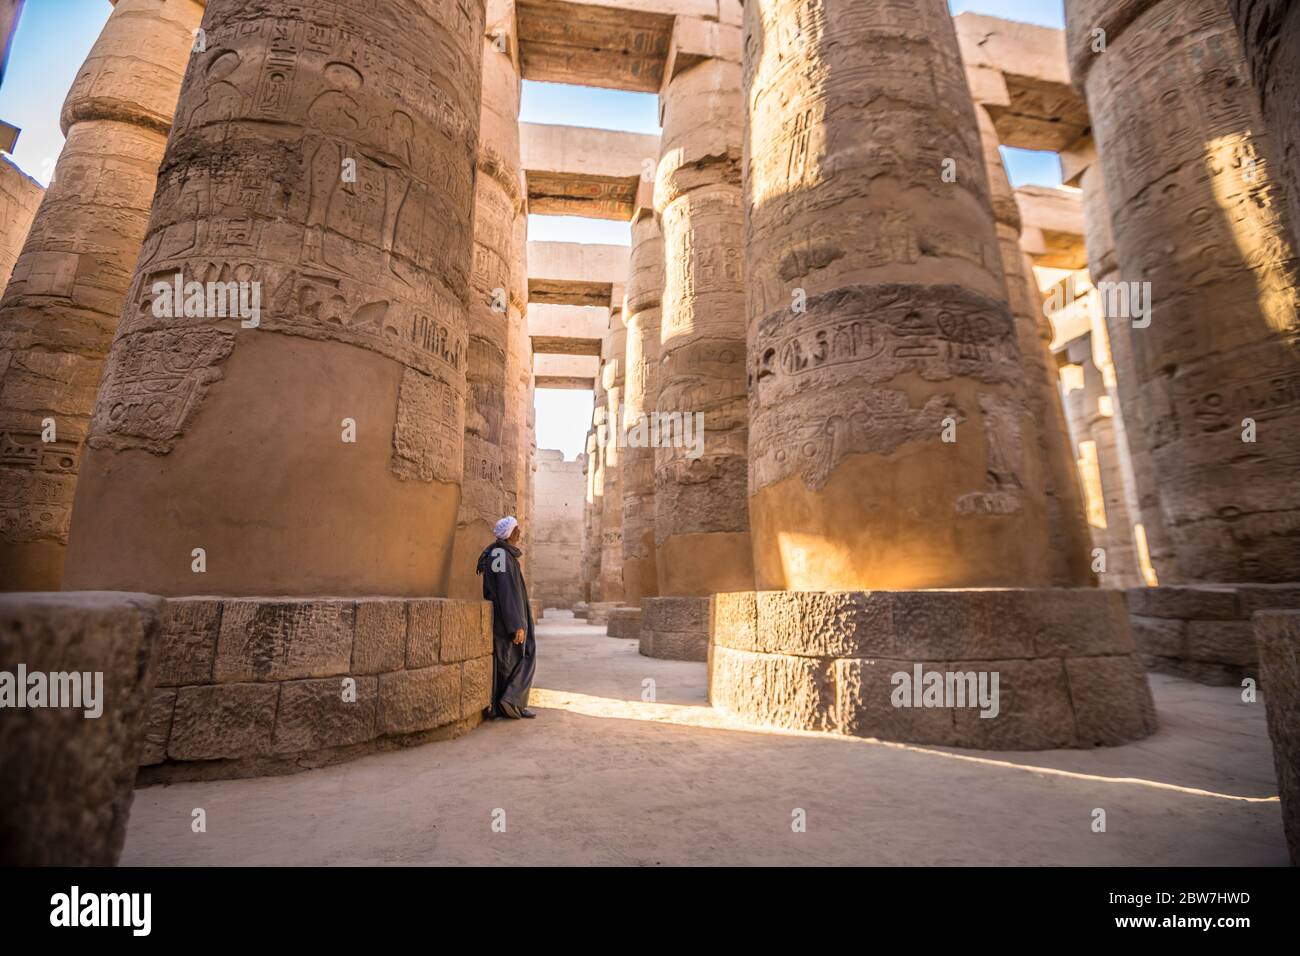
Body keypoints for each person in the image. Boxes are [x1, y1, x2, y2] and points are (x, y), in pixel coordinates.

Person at [476, 515, 537, 719]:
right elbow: (504, 591)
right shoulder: (500, 555)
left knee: (513, 659)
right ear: (509, 534)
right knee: (518, 658)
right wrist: (515, 624)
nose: (519, 532)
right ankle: (508, 701)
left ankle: (514, 703)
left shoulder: (503, 554)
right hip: (508, 619)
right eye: (516, 529)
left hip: (512, 616)